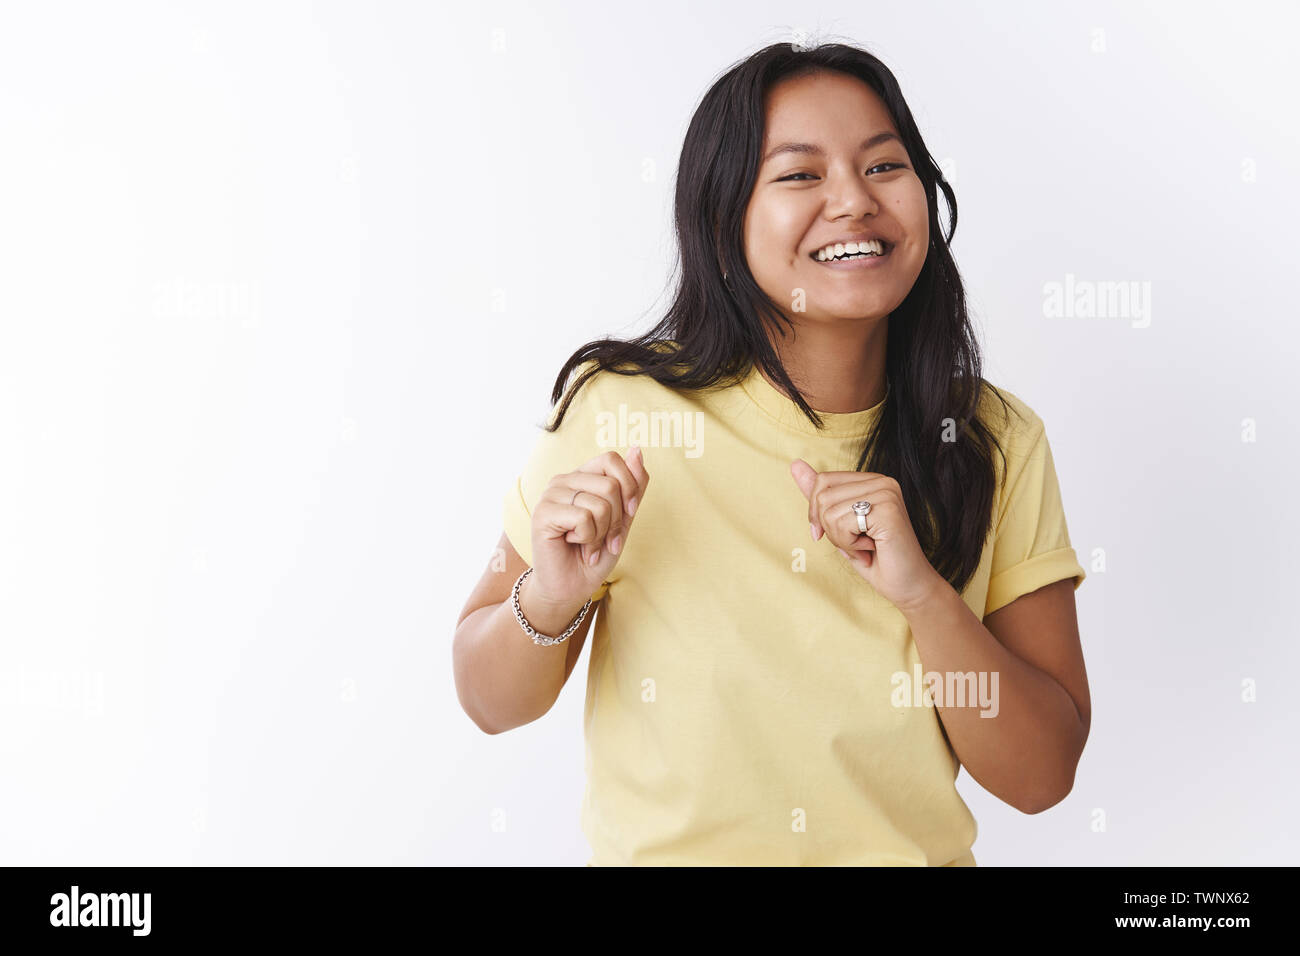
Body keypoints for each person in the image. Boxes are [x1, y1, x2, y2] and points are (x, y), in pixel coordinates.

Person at [453, 40, 1091, 866]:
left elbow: (1042, 776)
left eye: (884, 166)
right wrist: (551, 595)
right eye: (800, 175)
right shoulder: (622, 410)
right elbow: (486, 701)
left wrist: (925, 598)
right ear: (725, 224)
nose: (854, 202)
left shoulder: (994, 439)